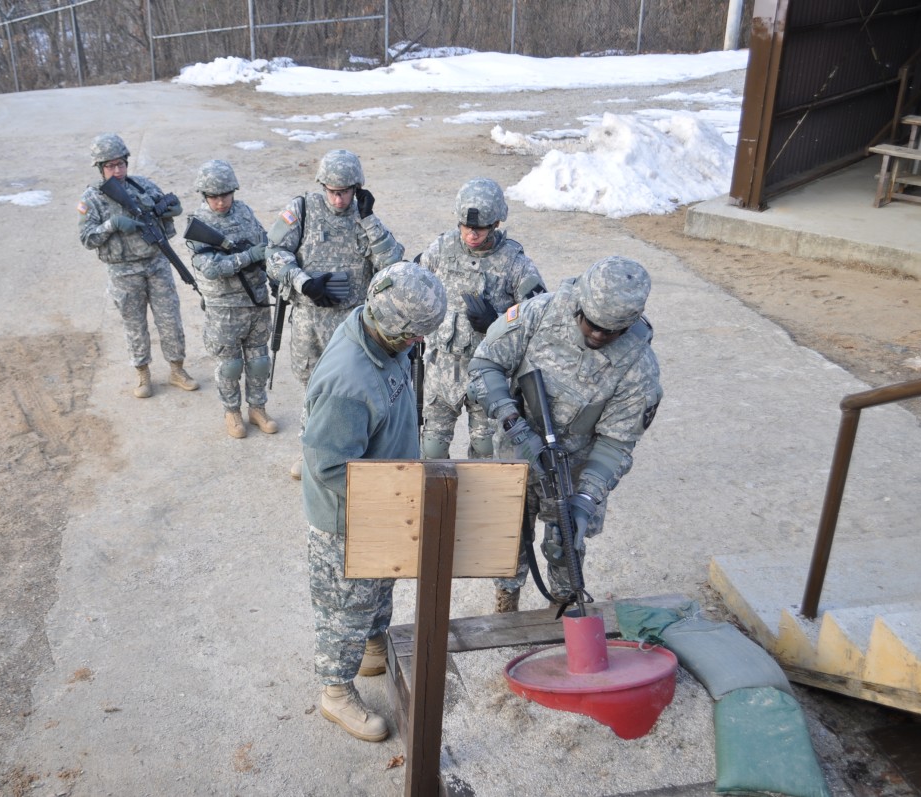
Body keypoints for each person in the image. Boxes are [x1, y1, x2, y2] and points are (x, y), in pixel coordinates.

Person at [301, 261, 447, 742]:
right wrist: (395, 493)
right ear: (391, 325)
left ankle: (371, 647)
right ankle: (335, 693)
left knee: (377, 588)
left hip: (383, 495)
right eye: (412, 337)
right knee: (345, 605)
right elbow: (327, 466)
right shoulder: (348, 383)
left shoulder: (381, 330)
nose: (416, 346)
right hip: (349, 515)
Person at [467, 256, 662, 613]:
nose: (598, 335)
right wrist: (514, 422)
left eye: (611, 331)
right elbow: (484, 365)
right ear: (581, 303)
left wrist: (585, 502)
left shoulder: (639, 367)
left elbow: (616, 443)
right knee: (508, 535)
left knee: (564, 546)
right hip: (515, 455)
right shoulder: (539, 314)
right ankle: (506, 601)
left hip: (571, 473)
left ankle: (564, 607)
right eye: (592, 323)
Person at [266, 148, 405, 479]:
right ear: (322, 186)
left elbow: (392, 266)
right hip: (308, 322)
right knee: (312, 390)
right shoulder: (301, 210)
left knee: (351, 394)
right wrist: (304, 283)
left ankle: (351, 454)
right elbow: (273, 252)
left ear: (356, 188)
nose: (339, 200)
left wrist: (370, 221)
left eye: (345, 192)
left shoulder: (366, 218)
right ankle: (308, 451)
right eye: (332, 191)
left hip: (351, 328)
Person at [418, 177, 545, 460]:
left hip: (489, 373)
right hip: (442, 369)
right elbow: (415, 291)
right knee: (431, 449)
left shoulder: (515, 262)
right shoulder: (440, 250)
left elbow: (539, 321)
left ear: (496, 223)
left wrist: (496, 323)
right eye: (466, 226)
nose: (472, 234)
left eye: (480, 228)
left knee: (487, 451)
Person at [77, 132, 199, 398]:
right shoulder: (92, 199)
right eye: (110, 166)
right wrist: (112, 225)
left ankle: (177, 369)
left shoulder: (143, 186)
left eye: (121, 164)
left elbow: (168, 205)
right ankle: (143, 374)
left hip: (156, 264)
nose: (117, 170)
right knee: (134, 324)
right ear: (100, 168)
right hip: (123, 271)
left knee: (170, 320)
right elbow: (87, 238)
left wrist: (171, 208)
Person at [184, 159, 278, 439]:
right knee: (230, 365)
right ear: (204, 195)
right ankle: (232, 411)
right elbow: (211, 268)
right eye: (214, 196)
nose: (221, 202)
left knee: (259, 360)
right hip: (224, 306)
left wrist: (271, 272)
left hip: (256, 301)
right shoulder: (198, 224)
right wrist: (247, 257)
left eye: (225, 195)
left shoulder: (244, 212)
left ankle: (257, 408)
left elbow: (263, 243)